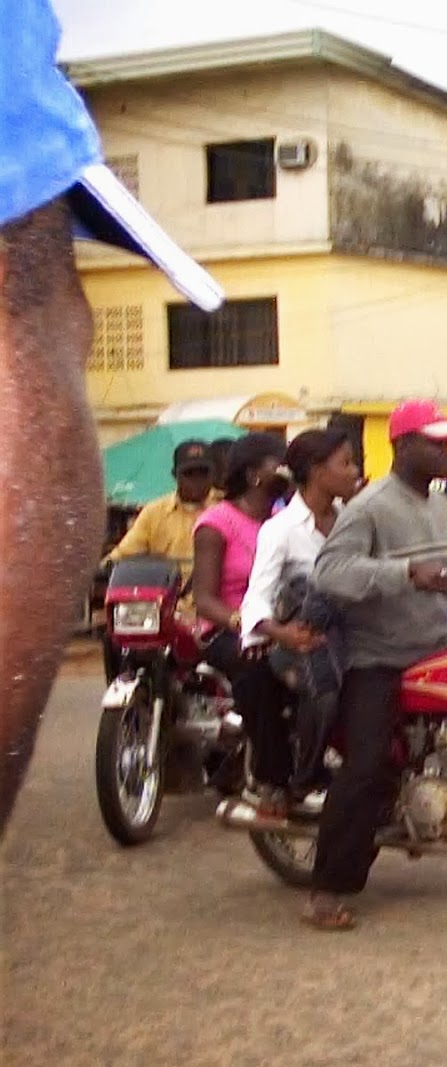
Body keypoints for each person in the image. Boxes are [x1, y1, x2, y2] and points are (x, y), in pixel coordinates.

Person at [0, 0, 224, 839]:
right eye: (73, 356)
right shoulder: (173, 518)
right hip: (160, 623)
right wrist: (118, 581)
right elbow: (124, 558)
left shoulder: (246, 524)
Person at [307, 399, 447, 930]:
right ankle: (328, 888)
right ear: (402, 446)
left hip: (435, 644)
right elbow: (330, 572)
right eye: (436, 441)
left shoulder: (439, 507)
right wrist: (404, 574)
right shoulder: (371, 506)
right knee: (366, 767)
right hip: (377, 657)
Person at [238, 429, 363, 795]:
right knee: (324, 692)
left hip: (352, 635)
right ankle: (303, 778)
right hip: (300, 642)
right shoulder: (280, 530)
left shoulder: (351, 520)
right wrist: (285, 634)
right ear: (316, 471)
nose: (354, 471)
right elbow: (257, 597)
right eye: (346, 463)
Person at [192, 433, 294, 815]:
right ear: (253, 474)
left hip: (278, 625)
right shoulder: (216, 523)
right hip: (227, 629)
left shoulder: (284, 521)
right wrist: (249, 623)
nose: (285, 469)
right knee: (257, 668)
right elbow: (204, 600)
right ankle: (273, 780)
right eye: (278, 463)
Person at [98, 438, 216, 681]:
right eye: (189, 473)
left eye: (202, 473)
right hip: (161, 612)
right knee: (112, 636)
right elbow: (124, 553)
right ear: (175, 475)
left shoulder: (224, 509)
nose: (196, 480)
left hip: (211, 612)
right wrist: (105, 568)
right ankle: (123, 688)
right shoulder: (154, 512)